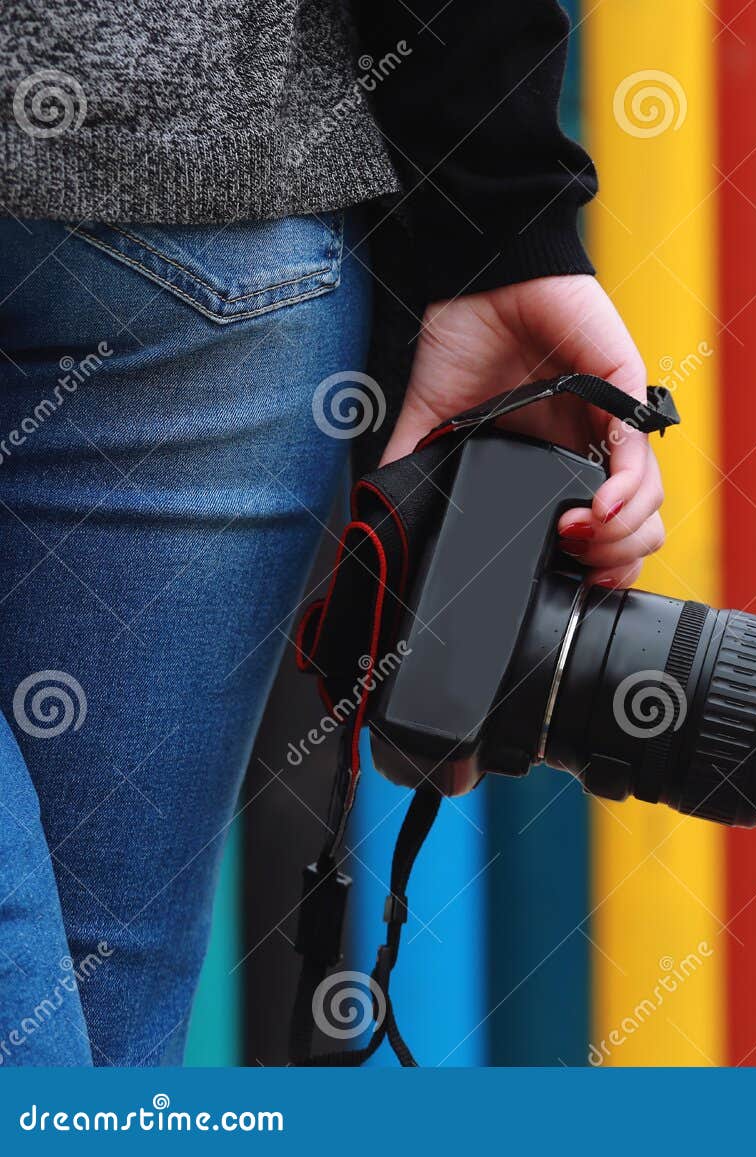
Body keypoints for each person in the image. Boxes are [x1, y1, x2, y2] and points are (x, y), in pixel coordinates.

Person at [0, 0, 662, 1065]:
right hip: (210, 196)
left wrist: (506, 227)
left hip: (210, 244)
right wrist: (498, 206)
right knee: (93, 1018)